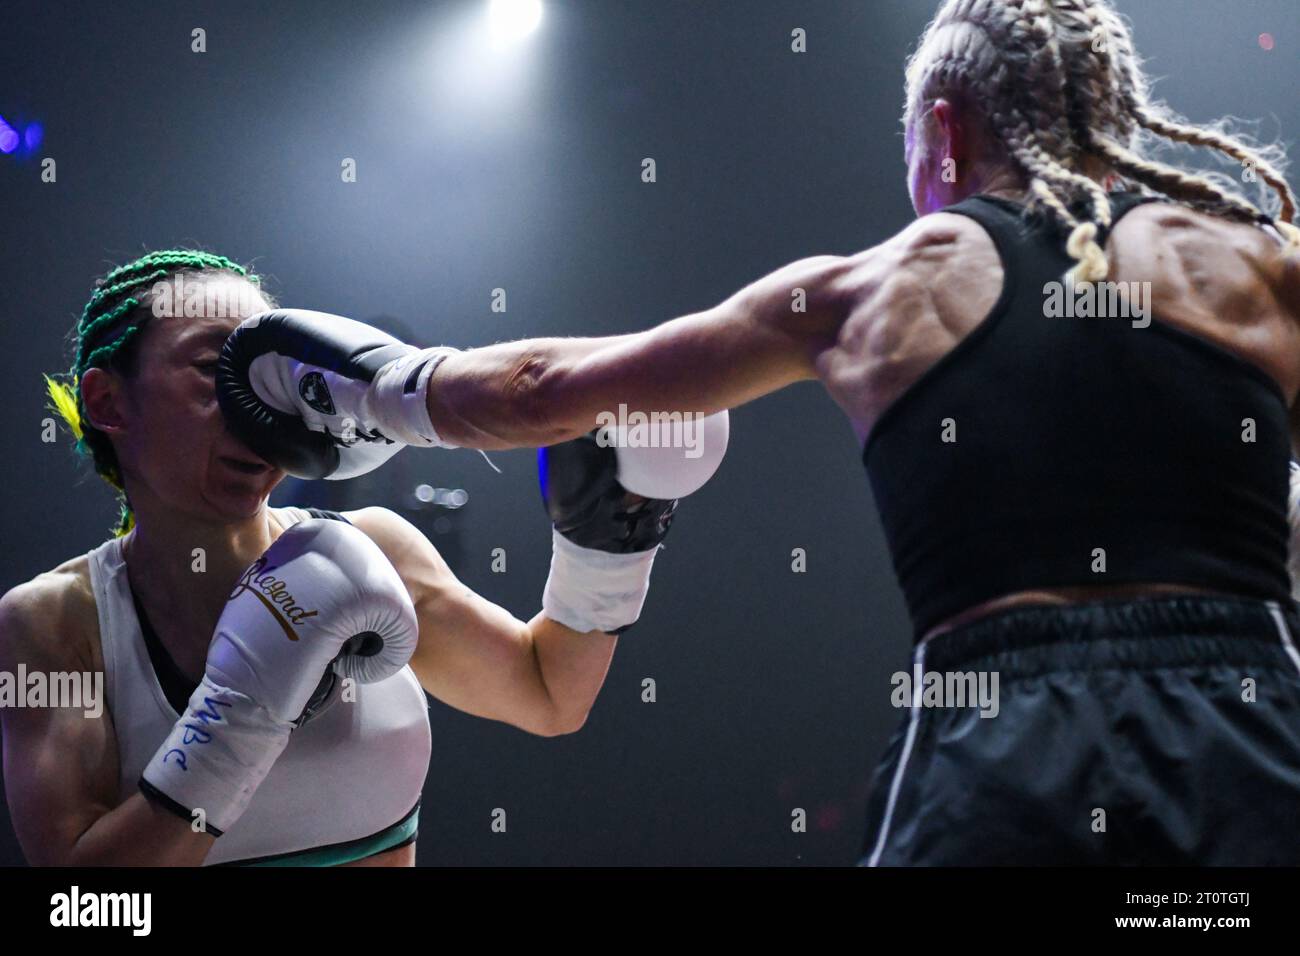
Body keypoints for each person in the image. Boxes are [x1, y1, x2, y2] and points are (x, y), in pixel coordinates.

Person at [229, 0, 1300, 864]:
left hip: (1001, 726)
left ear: (942, 130)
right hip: (1254, 717)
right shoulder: (1266, 270)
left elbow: (547, 386)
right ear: (1111, 130)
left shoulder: (865, 293)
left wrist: (380, 391)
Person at [1, 250, 725, 866]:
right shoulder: (56, 625)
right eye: (208, 369)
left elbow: (548, 695)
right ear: (108, 402)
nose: (253, 405)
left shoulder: (377, 549)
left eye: (261, 372)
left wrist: (609, 542)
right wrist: (241, 716)